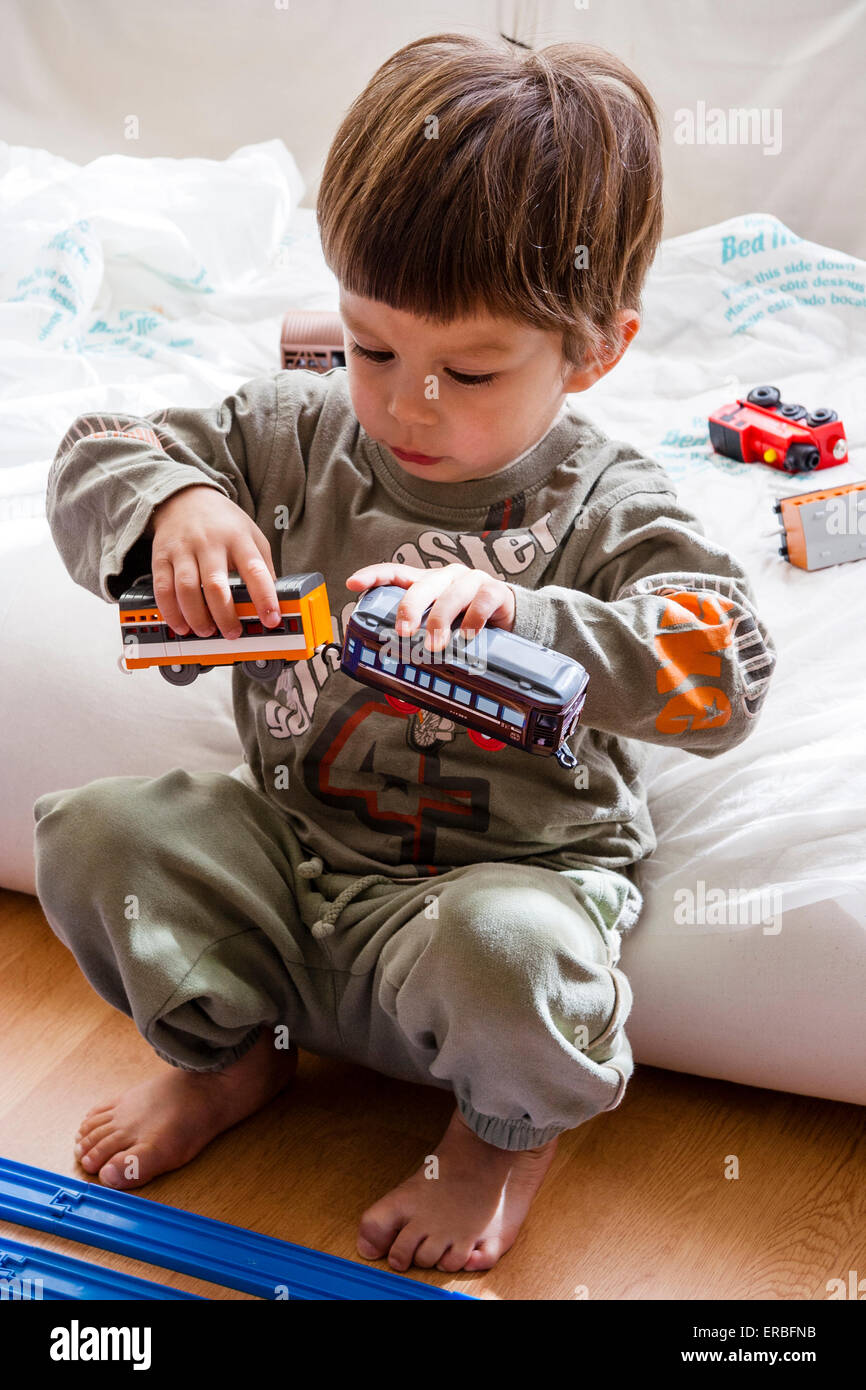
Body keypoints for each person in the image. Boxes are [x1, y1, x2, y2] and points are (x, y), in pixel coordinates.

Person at [33, 33, 777, 1275]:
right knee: (98, 836)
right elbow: (93, 453)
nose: (405, 404)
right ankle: (230, 1060)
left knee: (514, 951)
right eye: (373, 346)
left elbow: (723, 675)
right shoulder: (289, 434)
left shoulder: (607, 506)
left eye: (469, 370)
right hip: (289, 866)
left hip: (482, 906)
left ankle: (498, 1138)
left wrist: (537, 625)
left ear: (594, 350)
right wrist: (170, 505)